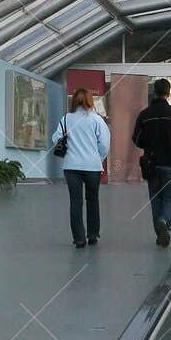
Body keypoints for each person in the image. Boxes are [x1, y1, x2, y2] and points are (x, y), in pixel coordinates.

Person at [132, 78, 171, 247]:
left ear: (154, 92)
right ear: (167, 93)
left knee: (156, 198)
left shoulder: (144, 115)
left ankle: (160, 234)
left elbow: (136, 139)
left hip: (151, 163)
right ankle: (165, 221)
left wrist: (148, 145)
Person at [54, 87, 111, 248]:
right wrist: (98, 157)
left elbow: (56, 139)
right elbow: (105, 144)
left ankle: (79, 238)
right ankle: (93, 234)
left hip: (71, 167)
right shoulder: (96, 120)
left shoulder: (66, 119)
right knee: (92, 200)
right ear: (89, 101)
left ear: (74, 101)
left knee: (75, 202)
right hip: (92, 166)